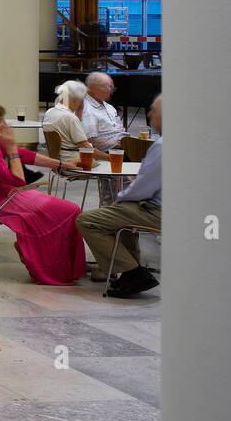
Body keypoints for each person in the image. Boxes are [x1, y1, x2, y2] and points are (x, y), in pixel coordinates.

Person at [0, 104, 83, 285]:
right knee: (70, 210)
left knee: (67, 210)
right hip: (0, 201)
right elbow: (18, 180)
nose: (4, 123)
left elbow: (24, 155)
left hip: (8, 195)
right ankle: (50, 264)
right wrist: (11, 148)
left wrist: (61, 164)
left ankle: (54, 261)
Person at [77, 96, 162, 298]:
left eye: (153, 111)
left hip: (158, 212)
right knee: (122, 212)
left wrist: (122, 197)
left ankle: (133, 272)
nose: (149, 114)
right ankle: (130, 269)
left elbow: (144, 186)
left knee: (87, 221)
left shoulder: (161, 147)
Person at [82, 72, 126, 206]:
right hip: (105, 153)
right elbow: (91, 140)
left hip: (122, 148)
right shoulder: (87, 109)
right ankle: (113, 212)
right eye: (106, 86)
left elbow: (120, 130)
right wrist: (116, 144)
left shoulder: (109, 107)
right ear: (90, 88)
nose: (110, 90)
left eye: (112, 87)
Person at [42, 80, 93, 164]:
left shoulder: (49, 112)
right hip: (75, 163)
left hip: (56, 162)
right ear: (76, 99)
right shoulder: (70, 118)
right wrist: (108, 157)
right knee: (109, 164)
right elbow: (86, 148)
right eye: (82, 100)